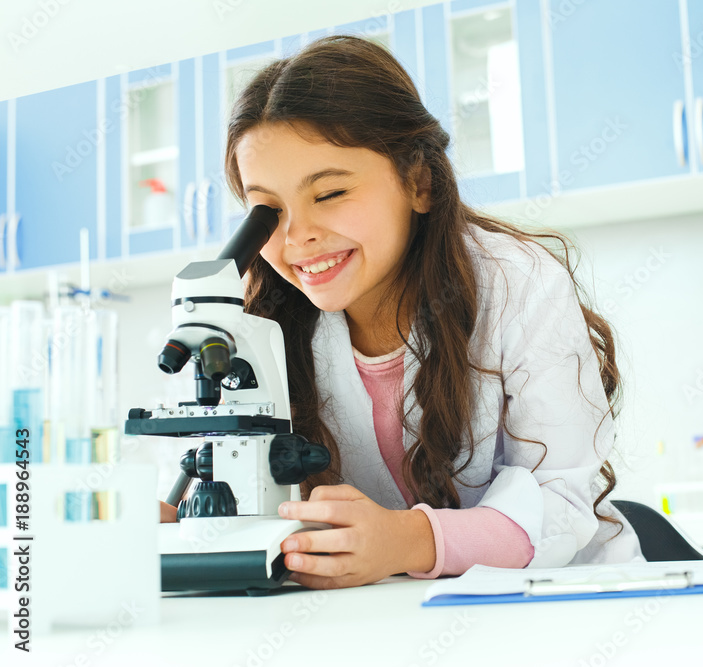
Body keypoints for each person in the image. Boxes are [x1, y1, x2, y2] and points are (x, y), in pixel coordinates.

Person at [160, 34, 643, 588]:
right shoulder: (261, 323)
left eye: (330, 193)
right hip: (390, 619)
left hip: (564, 603)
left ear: (419, 181)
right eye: (268, 210)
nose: (298, 237)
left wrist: (406, 540)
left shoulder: (520, 285)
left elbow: (562, 502)